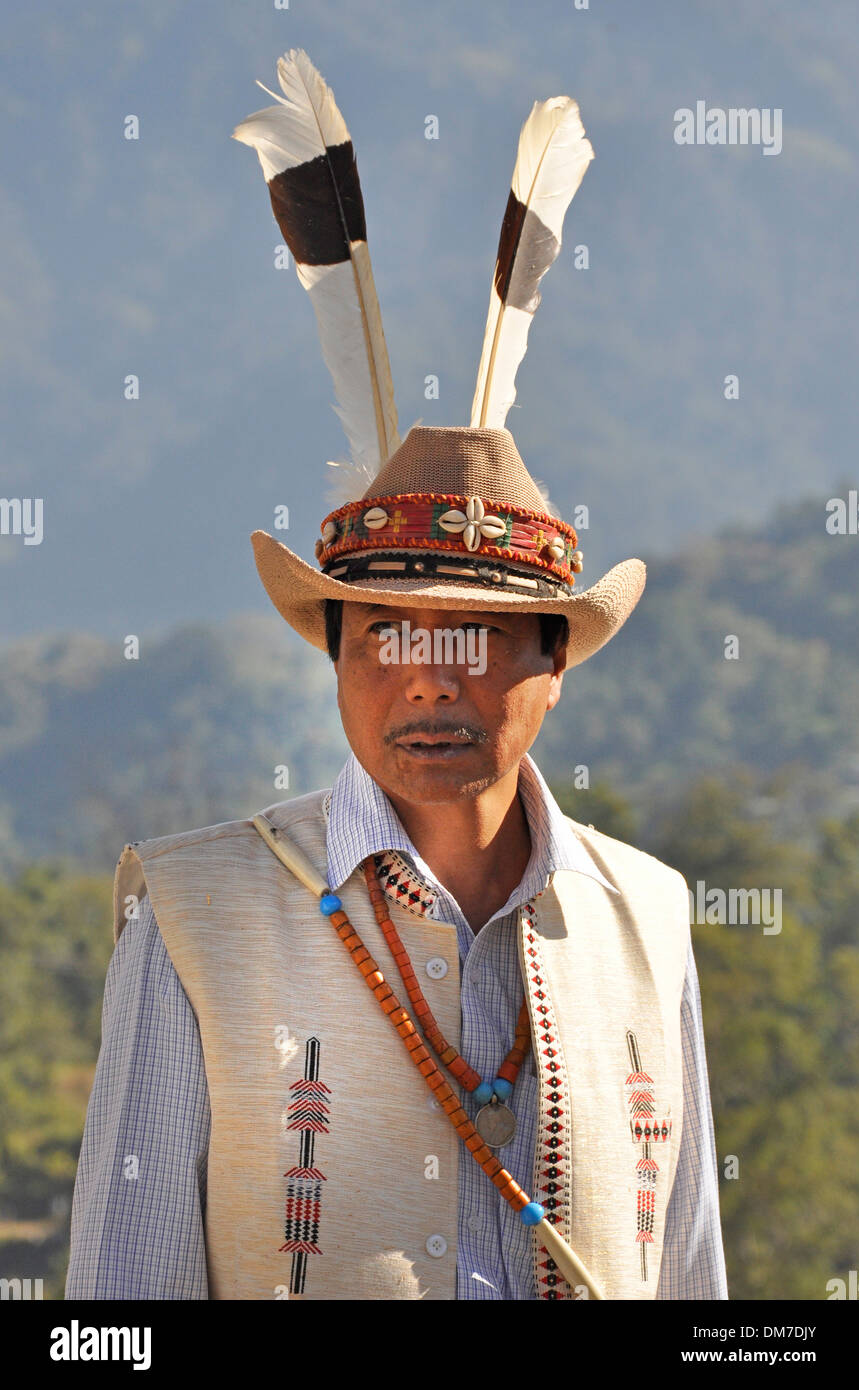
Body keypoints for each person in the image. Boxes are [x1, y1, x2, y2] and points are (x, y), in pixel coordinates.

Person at [65, 50, 727, 1301]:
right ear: (333, 657)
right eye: (386, 635)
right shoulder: (195, 916)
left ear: (553, 665)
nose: (429, 680)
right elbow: (121, 1309)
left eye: (474, 639)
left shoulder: (646, 918)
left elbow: (693, 1287)